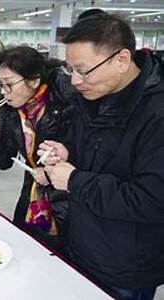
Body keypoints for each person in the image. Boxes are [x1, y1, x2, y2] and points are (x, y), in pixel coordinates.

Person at [38, 15, 164, 299]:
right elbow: (87, 147)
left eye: (83, 70)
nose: (75, 80)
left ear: (121, 60)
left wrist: (73, 180)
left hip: (127, 264)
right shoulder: (92, 95)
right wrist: (67, 151)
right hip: (83, 243)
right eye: (70, 69)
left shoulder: (156, 113)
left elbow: (151, 200)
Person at [0, 46, 75, 251]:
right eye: (0, 84)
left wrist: (52, 171)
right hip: (31, 196)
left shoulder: (67, 102)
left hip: (69, 202)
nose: (3, 92)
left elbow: (85, 151)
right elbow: (4, 162)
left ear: (34, 80)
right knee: (29, 250)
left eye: (9, 84)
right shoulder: (12, 110)